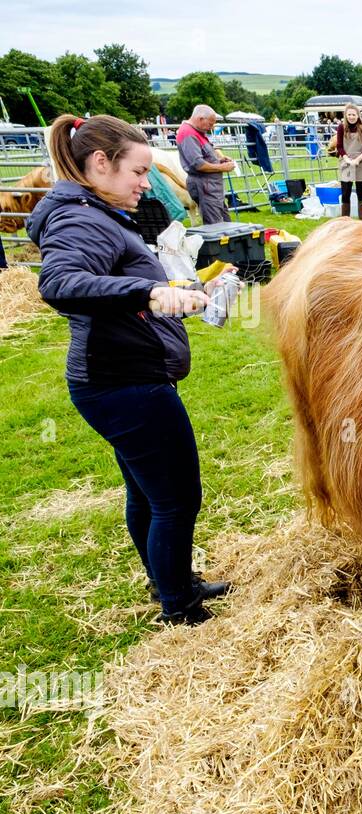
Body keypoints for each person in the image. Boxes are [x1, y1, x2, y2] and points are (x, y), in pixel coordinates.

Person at [27, 114, 232, 626]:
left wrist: (180, 290)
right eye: (139, 171)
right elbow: (59, 282)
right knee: (177, 498)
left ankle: (171, 582)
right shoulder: (78, 218)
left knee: (147, 491)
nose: (146, 182)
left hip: (120, 377)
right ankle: (180, 608)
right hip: (124, 384)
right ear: (100, 163)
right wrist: (148, 291)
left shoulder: (93, 209)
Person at [175, 105, 234, 225]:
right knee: (215, 226)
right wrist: (222, 167)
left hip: (211, 187)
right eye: (210, 124)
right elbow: (198, 164)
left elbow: (204, 156)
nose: (211, 127)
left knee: (225, 222)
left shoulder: (197, 132)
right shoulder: (188, 134)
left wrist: (220, 159)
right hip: (205, 186)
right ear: (200, 118)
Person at [335, 104, 362, 220]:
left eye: (353, 114)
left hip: (360, 162)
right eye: (349, 114)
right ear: (346, 115)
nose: (351, 117)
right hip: (346, 162)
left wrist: (357, 160)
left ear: (357, 115)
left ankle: (361, 221)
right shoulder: (341, 128)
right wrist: (347, 159)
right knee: (346, 193)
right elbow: (339, 146)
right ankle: (345, 221)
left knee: (361, 193)